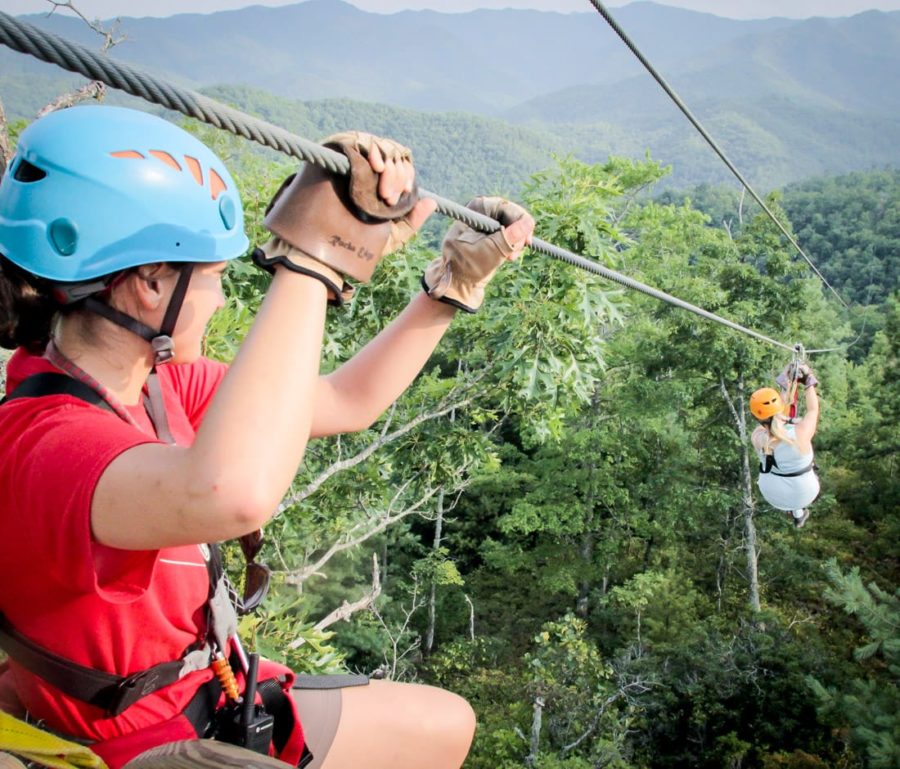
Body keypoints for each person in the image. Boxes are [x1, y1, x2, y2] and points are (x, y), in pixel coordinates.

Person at [0, 105, 535, 769]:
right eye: (216, 276)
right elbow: (235, 494)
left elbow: (344, 398)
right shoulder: (44, 445)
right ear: (149, 282)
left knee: (445, 724)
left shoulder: (155, 387)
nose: (223, 299)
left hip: (207, 691)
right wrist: (313, 259)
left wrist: (451, 286)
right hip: (136, 742)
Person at [749, 363, 821, 528]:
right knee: (805, 475)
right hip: (804, 492)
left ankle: (798, 513)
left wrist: (789, 383)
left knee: (794, 479)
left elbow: (776, 419)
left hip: (773, 494)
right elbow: (812, 411)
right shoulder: (801, 432)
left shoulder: (758, 437)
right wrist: (807, 380)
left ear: (757, 417)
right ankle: (798, 512)